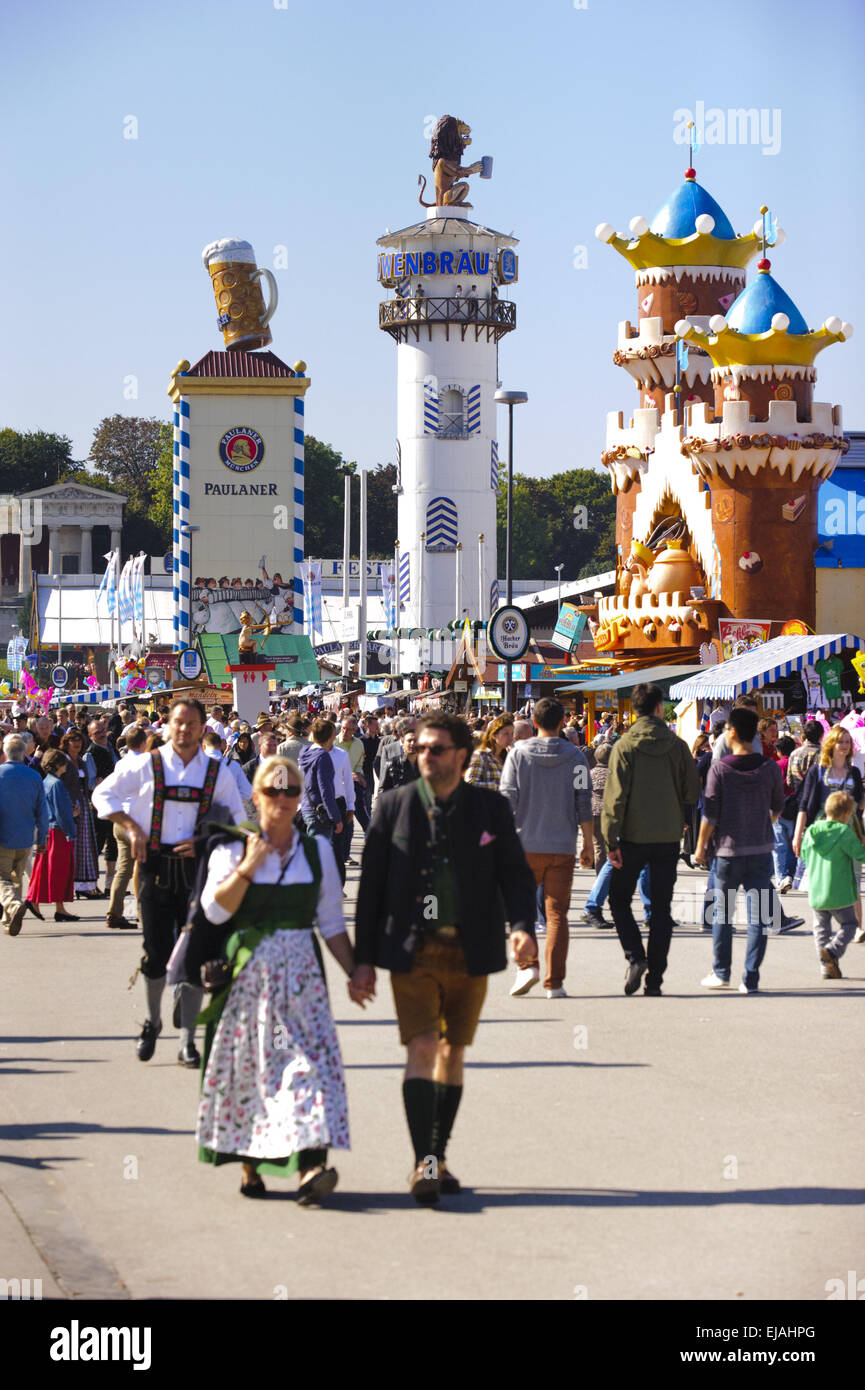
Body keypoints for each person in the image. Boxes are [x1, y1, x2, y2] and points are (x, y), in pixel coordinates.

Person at [353, 712, 537, 1204]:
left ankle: (438, 1155)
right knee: (423, 1049)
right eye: (421, 749)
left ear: (462, 755)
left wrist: (522, 927)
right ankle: (426, 1164)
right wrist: (363, 961)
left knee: (453, 1052)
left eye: (436, 749)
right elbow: (370, 889)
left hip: (470, 947)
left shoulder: (489, 809)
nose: (425, 756)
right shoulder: (392, 807)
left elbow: (515, 875)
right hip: (412, 952)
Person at [196, 757, 362, 1201]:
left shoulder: (318, 851)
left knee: (311, 1068)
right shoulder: (232, 849)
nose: (283, 799)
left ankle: (312, 1168)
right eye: (273, 790)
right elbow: (215, 912)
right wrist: (249, 866)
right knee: (254, 1073)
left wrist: (355, 971)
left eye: (292, 791)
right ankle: (251, 1164)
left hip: (304, 974)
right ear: (256, 797)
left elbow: (329, 921)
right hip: (250, 975)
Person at [92, 698, 247, 1066]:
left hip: (198, 874)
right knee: (156, 954)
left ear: (201, 728)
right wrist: (131, 827)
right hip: (155, 869)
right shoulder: (146, 764)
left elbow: (237, 824)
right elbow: (102, 794)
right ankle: (153, 1020)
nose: (185, 729)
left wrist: (206, 841)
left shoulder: (216, 771)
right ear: (168, 726)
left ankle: (187, 1042)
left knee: (195, 959)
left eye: (192, 723)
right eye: (179, 722)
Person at [601, 683, 700, 996]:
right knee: (661, 908)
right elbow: (692, 791)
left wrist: (610, 840)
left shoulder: (624, 746)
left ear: (635, 709)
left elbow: (614, 798)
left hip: (632, 836)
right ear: (659, 708)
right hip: (668, 836)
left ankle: (635, 955)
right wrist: (682, 817)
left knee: (618, 899)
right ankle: (654, 979)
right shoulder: (677, 745)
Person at [500, 697, 593, 998]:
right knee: (556, 915)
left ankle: (528, 966)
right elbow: (583, 802)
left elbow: (507, 799)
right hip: (562, 845)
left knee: (522, 910)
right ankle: (555, 983)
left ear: (535, 722)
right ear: (563, 720)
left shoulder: (517, 755)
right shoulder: (577, 758)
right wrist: (588, 843)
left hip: (524, 843)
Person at [694, 705, 785, 994]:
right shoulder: (769, 767)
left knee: (722, 913)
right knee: (759, 916)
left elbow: (710, 813)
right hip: (760, 850)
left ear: (732, 732)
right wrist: (761, 822)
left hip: (727, 851)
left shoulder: (720, 768)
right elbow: (777, 807)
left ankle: (721, 973)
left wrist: (699, 848)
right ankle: (751, 978)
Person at [800, 790, 865, 978]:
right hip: (839, 890)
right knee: (850, 924)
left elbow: (805, 855)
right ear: (847, 814)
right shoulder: (844, 831)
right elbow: (858, 854)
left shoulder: (812, 831)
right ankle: (832, 951)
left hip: (816, 889)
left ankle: (826, 967)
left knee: (821, 929)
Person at [0, 734, 48, 937]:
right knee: (17, 877)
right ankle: (8, 919)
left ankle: (12, 906)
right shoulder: (34, 776)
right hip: (25, 835)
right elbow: (42, 811)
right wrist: (42, 837)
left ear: (5, 752)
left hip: (3, 835)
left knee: (2, 878)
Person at [25, 748, 78, 923]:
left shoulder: (46, 781)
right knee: (59, 871)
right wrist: (72, 829)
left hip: (48, 830)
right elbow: (62, 813)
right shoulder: (57, 784)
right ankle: (50, 905)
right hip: (58, 832)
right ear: (58, 764)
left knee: (46, 869)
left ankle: (54, 906)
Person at [59, 728, 101, 899]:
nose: (77, 743)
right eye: (73, 740)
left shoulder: (81, 761)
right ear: (67, 743)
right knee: (74, 846)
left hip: (83, 804)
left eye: (79, 741)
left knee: (85, 846)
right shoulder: (64, 761)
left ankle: (84, 885)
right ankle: (74, 884)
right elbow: (60, 784)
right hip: (70, 804)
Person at [298, 719, 343, 846]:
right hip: (319, 813)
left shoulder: (306, 753)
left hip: (307, 807)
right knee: (318, 858)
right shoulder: (323, 757)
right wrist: (336, 817)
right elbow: (325, 789)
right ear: (330, 736)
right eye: (334, 734)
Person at [464, 713, 514, 790]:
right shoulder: (481, 755)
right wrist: (500, 785)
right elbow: (470, 783)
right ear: (494, 735)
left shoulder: (509, 755)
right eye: (506, 734)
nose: (510, 738)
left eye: (512, 734)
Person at [380, 726, 419, 791]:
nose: (412, 744)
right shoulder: (392, 764)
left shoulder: (426, 764)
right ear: (403, 744)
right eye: (409, 741)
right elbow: (383, 790)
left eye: (415, 741)